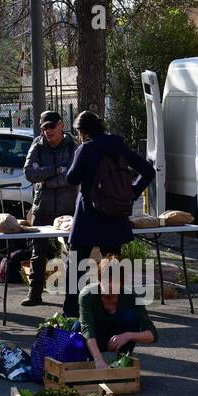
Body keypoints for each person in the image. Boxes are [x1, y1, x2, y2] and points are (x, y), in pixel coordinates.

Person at [62, 110, 156, 318]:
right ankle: (118, 311)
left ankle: (71, 313)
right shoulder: (119, 146)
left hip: (88, 215)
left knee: (76, 265)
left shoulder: (86, 148)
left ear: (82, 131)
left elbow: (71, 179)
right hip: (115, 215)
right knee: (114, 267)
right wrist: (131, 194)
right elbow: (148, 171)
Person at [22, 110, 77, 306]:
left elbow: (72, 176)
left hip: (67, 208)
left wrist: (45, 179)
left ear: (61, 125)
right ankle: (34, 293)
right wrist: (54, 170)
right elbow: (29, 172)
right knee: (38, 252)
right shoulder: (37, 144)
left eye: (52, 126)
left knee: (73, 253)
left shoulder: (73, 146)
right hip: (42, 206)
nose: (48, 131)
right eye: (44, 128)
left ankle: (72, 298)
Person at [79, 256, 157, 367]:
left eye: (115, 281)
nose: (111, 285)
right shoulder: (87, 295)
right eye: (107, 281)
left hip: (119, 340)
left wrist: (128, 336)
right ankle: (90, 361)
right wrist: (98, 359)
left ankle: (122, 360)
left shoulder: (131, 296)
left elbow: (152, 335)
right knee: (78, 328)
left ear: (122, 283)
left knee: (131, 317)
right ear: (99, 279)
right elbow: (87, 329)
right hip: (97, 337)